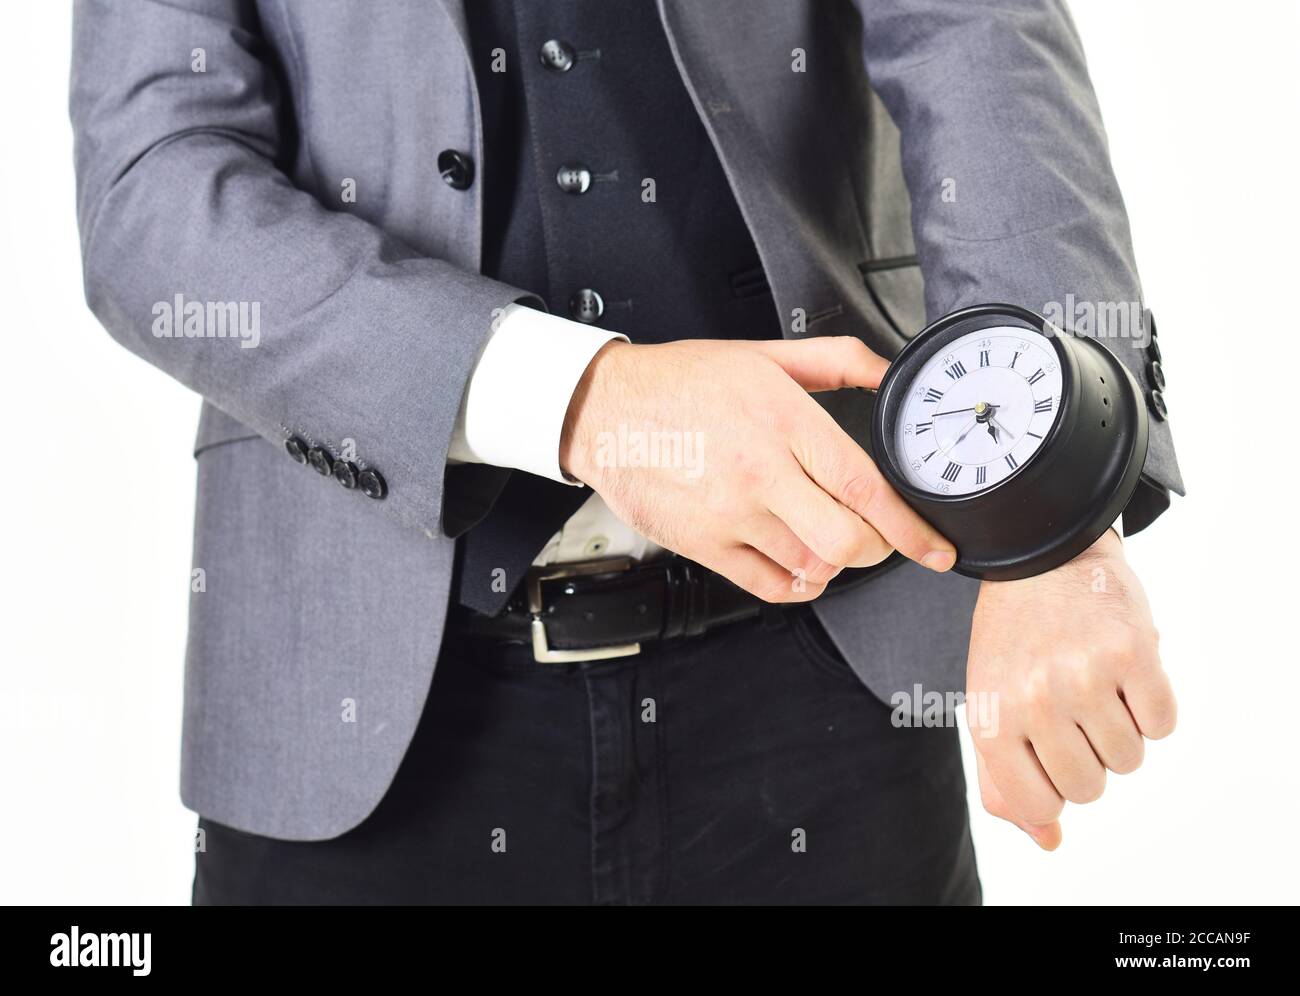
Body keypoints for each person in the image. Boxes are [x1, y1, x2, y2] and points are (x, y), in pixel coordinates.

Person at [70, 0, 1182, 904]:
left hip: (834, 669)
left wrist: (1047, 514)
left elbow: (972, 26)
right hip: (356, 708)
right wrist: (590, 401)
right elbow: (154, 192)